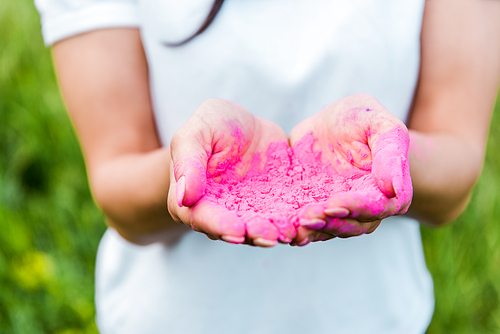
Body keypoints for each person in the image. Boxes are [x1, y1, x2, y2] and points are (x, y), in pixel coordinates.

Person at [34, 0, 500, 333]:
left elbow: (455, 171)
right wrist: (191, 168)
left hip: (372, 315)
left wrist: (387, 154)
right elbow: (117, 184)